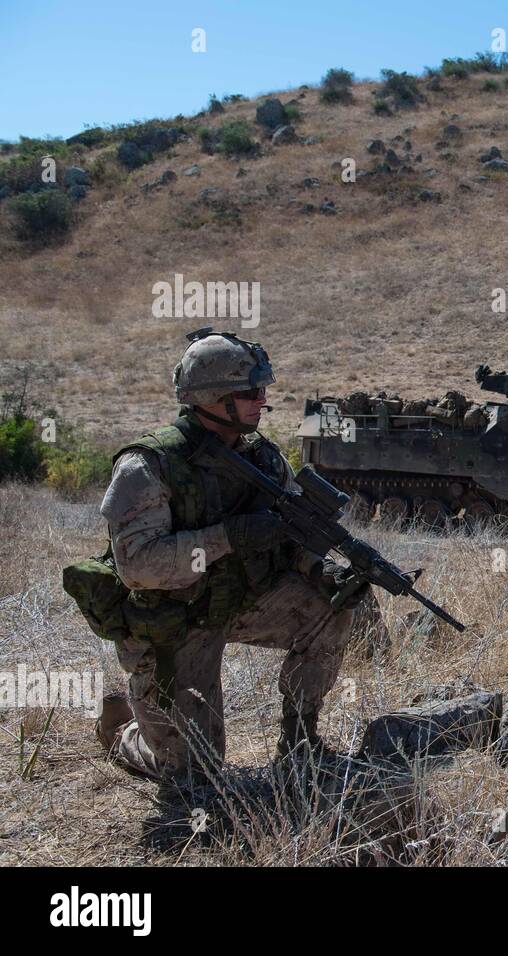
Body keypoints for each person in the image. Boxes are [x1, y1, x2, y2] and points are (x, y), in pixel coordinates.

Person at [93, 328, 366, 793]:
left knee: (332, 607)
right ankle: (125, 731)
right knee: (197, 776)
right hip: (173, 622)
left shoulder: (263, 457)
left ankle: (301, 738)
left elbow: (291, 533)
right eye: (251, 392)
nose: (263, 400)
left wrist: (320, 568)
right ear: (214, 398)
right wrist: (229, 536)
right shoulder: (148, 466)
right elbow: (137, 565)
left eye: (263, 391)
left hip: (237, 600)